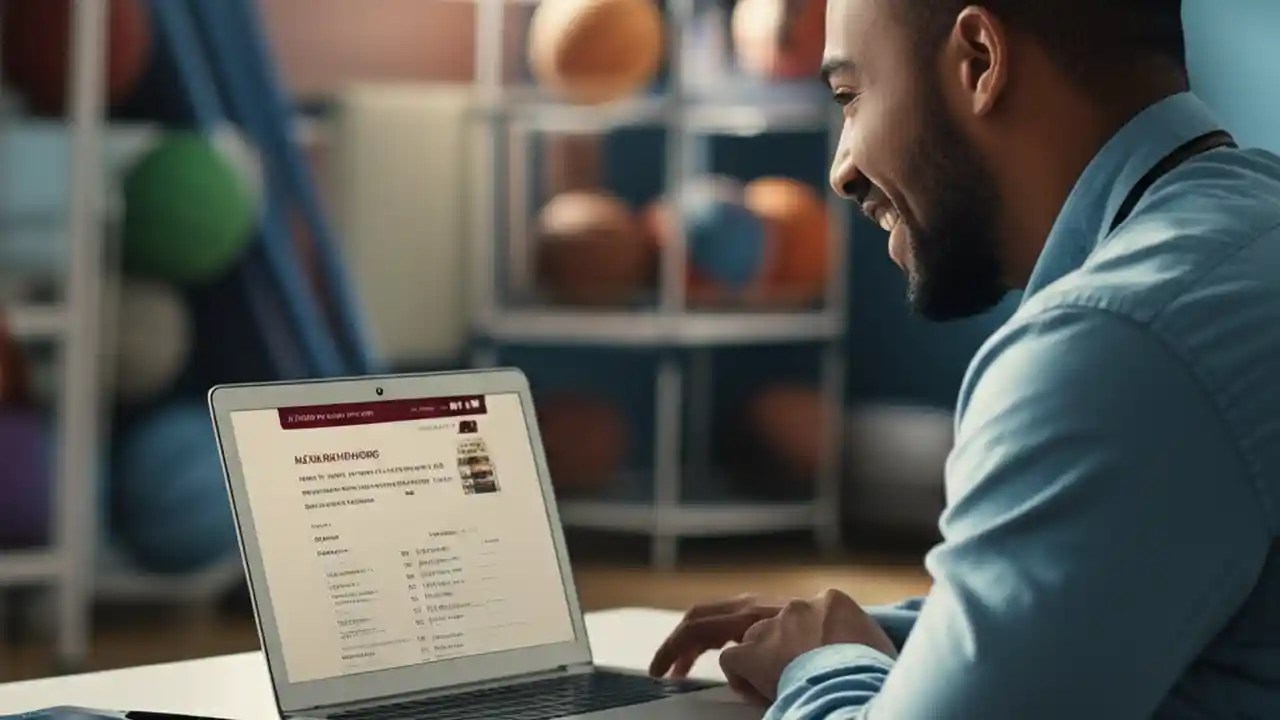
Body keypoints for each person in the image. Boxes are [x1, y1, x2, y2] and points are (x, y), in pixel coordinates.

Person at [649, 0, 1280, 717]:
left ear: (979, 61)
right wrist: (903, 635)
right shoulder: (1253, 239)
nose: (841, 169)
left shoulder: (1115, 347)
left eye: (851, 98)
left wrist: (823, 664)